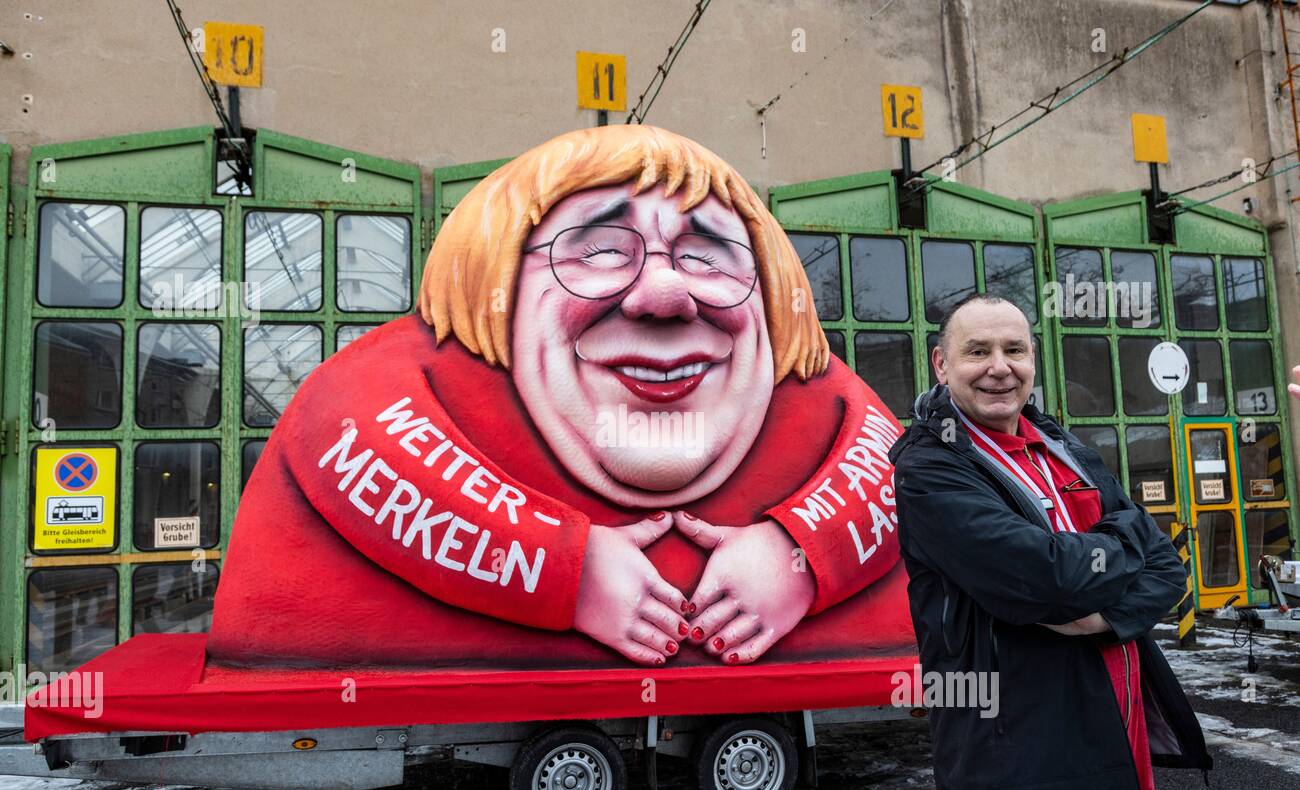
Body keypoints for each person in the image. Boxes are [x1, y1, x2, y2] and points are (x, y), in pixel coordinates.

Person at [210, 125, 913, 668]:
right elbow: (343, 428)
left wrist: (797, 557)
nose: (666, 294)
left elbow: (890, 467)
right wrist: (561, 569)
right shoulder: (414, 375)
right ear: (499, 284)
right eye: (600, 250)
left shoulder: (806, 385)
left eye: (707, 256)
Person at [888, 293, 1211, 790]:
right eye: (977, 351)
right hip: (1020, 754)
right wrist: (1118, 546)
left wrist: (1105, 615)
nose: (999, 366)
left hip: (1119, 736)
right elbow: (1048, 577)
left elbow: (1166, 565)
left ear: (1033, 360)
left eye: (1014, 349)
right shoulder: (928, 467)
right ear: (941, 364)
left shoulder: (1062, 447)